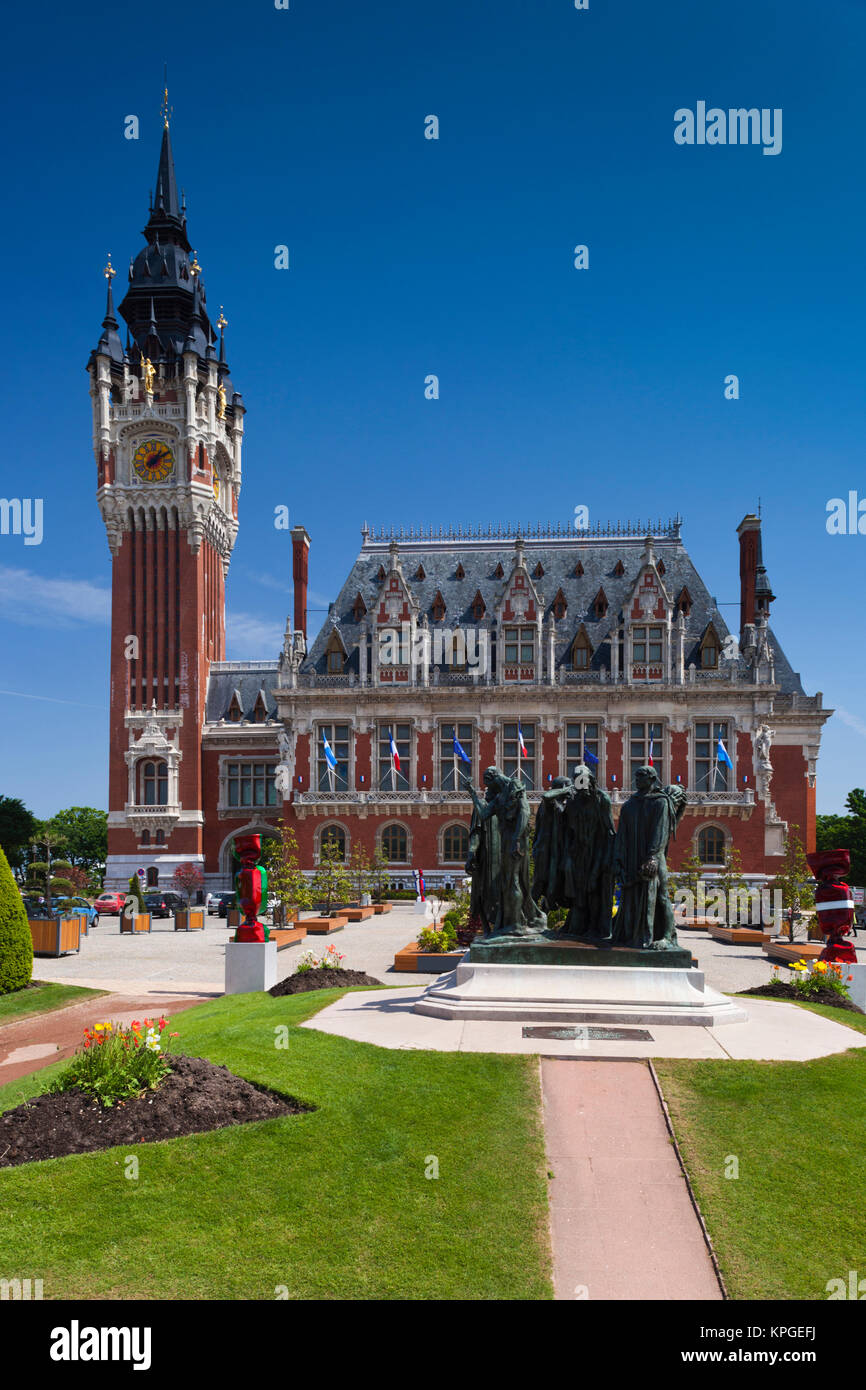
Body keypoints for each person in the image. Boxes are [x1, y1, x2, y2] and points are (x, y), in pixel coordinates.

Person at [464, 766, 546, 937]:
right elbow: (484, 813)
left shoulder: (514, 785)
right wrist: (472, 793)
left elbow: (524, 812)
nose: (487, 788)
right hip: (509, 841)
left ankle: (516, 924)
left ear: (492, 777)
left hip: (515, 842)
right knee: (509, 883)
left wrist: (517, 839)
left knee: (512, 882)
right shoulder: (500, 796)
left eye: (487, 783)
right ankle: (515, 921)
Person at [612, 765, 686, 950]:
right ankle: (631, 934)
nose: (637, 779)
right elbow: (621, 836)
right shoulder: (629, 805)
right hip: (632, 858)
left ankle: (668, 936)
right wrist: (618, 860)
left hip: (653, 857)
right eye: (636, 776)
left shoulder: (660, 802)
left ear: (652, 779)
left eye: (642, 776)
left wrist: (652, 857)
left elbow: (660, 832)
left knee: (661, 896)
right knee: (631, 896)